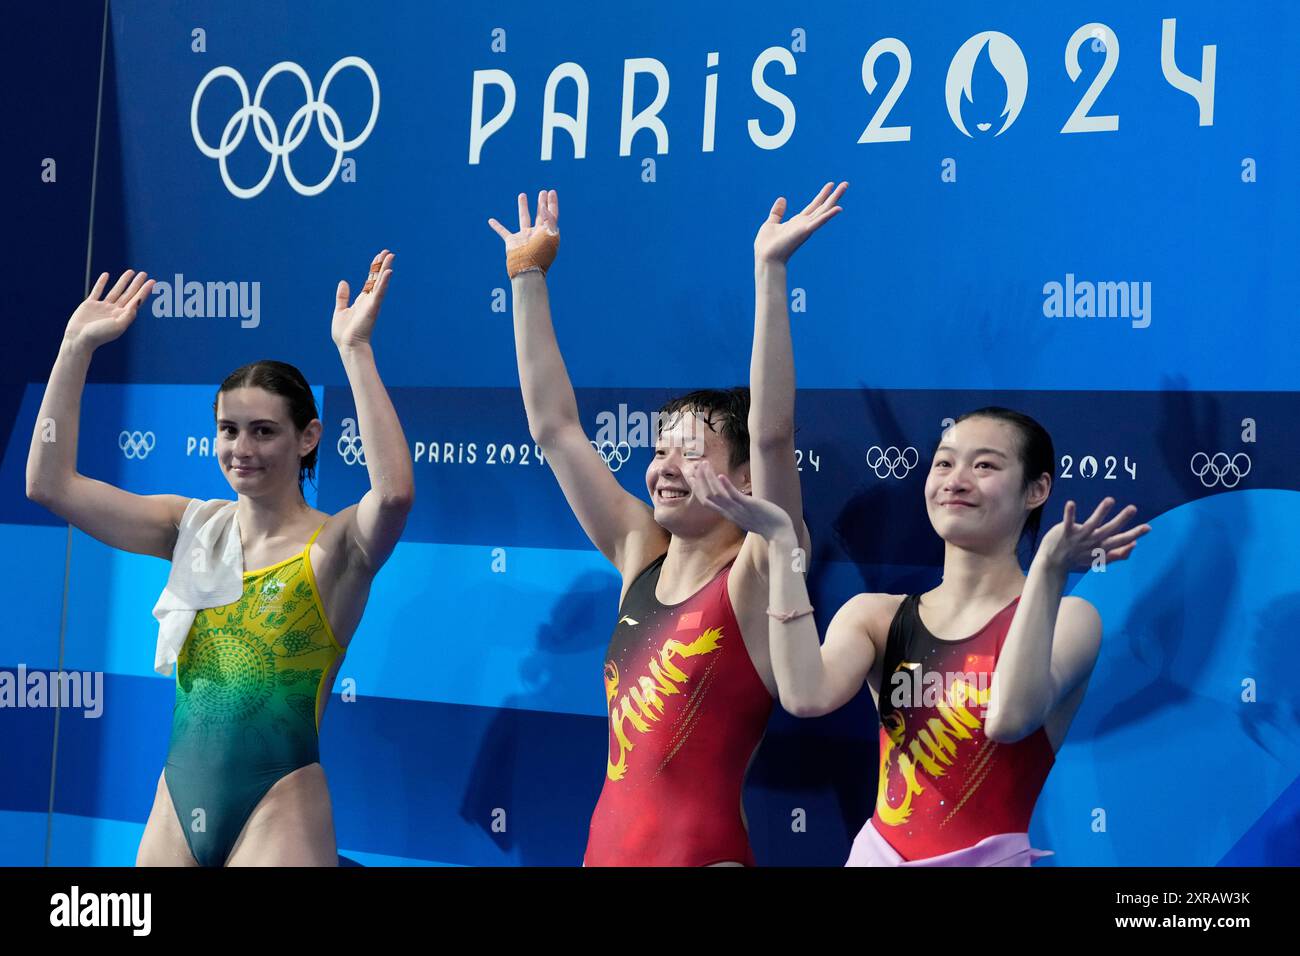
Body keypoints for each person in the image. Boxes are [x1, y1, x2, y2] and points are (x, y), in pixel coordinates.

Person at [488, 183, 847, 865]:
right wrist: (526, 276)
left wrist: (769, 274)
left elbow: (770, 434)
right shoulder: (636, 553)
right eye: (658, 451)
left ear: (743, 481)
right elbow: (555, 428)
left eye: (691, 452)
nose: (664, 468)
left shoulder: (759, 570)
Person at [25, 252, 414, 866]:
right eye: (228, 430)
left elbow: (393, 494)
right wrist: (75, 345)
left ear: (307, 437)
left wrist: (355, 348)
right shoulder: (189, 528)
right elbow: (50, 483)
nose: (242, 448)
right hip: (176, 803)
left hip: (280, 804)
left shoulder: (337, 547)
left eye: (264, 430)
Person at [685, 407, 1151, 865]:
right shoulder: (878, 618)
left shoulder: (1071, 618)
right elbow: (804, 695)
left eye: (985, 465)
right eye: (945, 463)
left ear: (1037, 489)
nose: (956, 479)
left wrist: (1048, 573)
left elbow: (1009, 721)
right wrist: (782, 544)